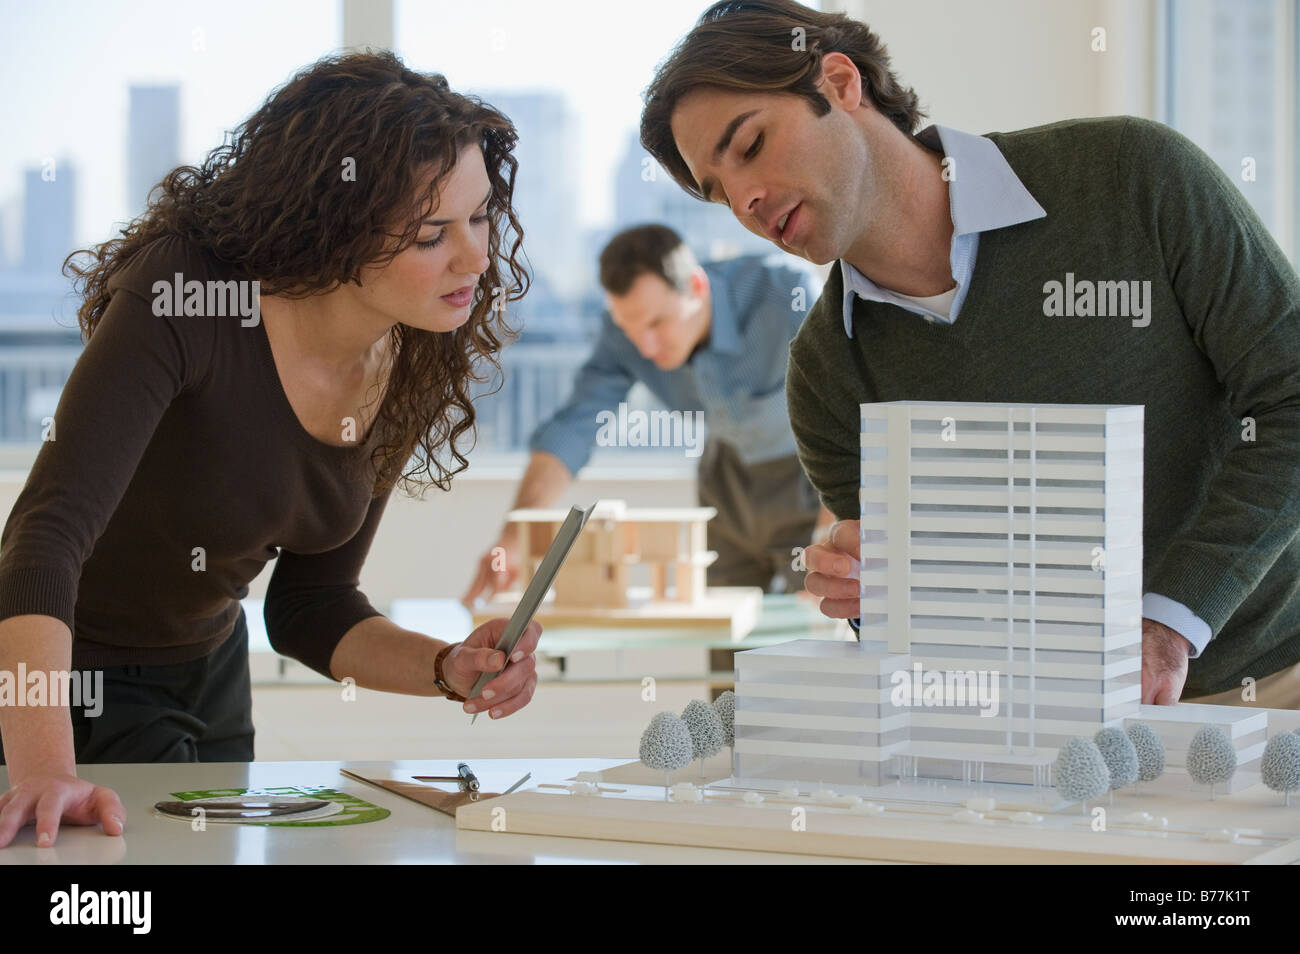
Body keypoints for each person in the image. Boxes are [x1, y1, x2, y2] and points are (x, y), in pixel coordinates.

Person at [639, 0, 1300, 708]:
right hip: (1055, 736)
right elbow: (933, 639)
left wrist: (1169, 621)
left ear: (838, 83)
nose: (746, 200)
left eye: (750, 147)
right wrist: (868, 598)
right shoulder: (828, 375)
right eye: (718, 193)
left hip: (1280, 676)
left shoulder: (1130, 175)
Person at [0, 51, 544, 849]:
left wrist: (446, 668)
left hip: (213, 673)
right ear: (338, 227)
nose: (475, 257)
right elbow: (41, 545)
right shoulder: (184, 293)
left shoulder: (414, 352)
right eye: (433, 233)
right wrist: (42, 768)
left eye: (481, 217)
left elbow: (309, 607)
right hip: (63, 687)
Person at [462, 223, 832, 605]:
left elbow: (846, 407)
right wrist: (513, 537)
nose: (646, 346)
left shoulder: (786, 293)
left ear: (697, 287)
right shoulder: (626, 334)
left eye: (657, 323)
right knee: (723, 632)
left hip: (811, 475)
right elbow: (574, 427)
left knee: (813, 624)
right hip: (725, 480)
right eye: (630, 328)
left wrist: (834, 520)